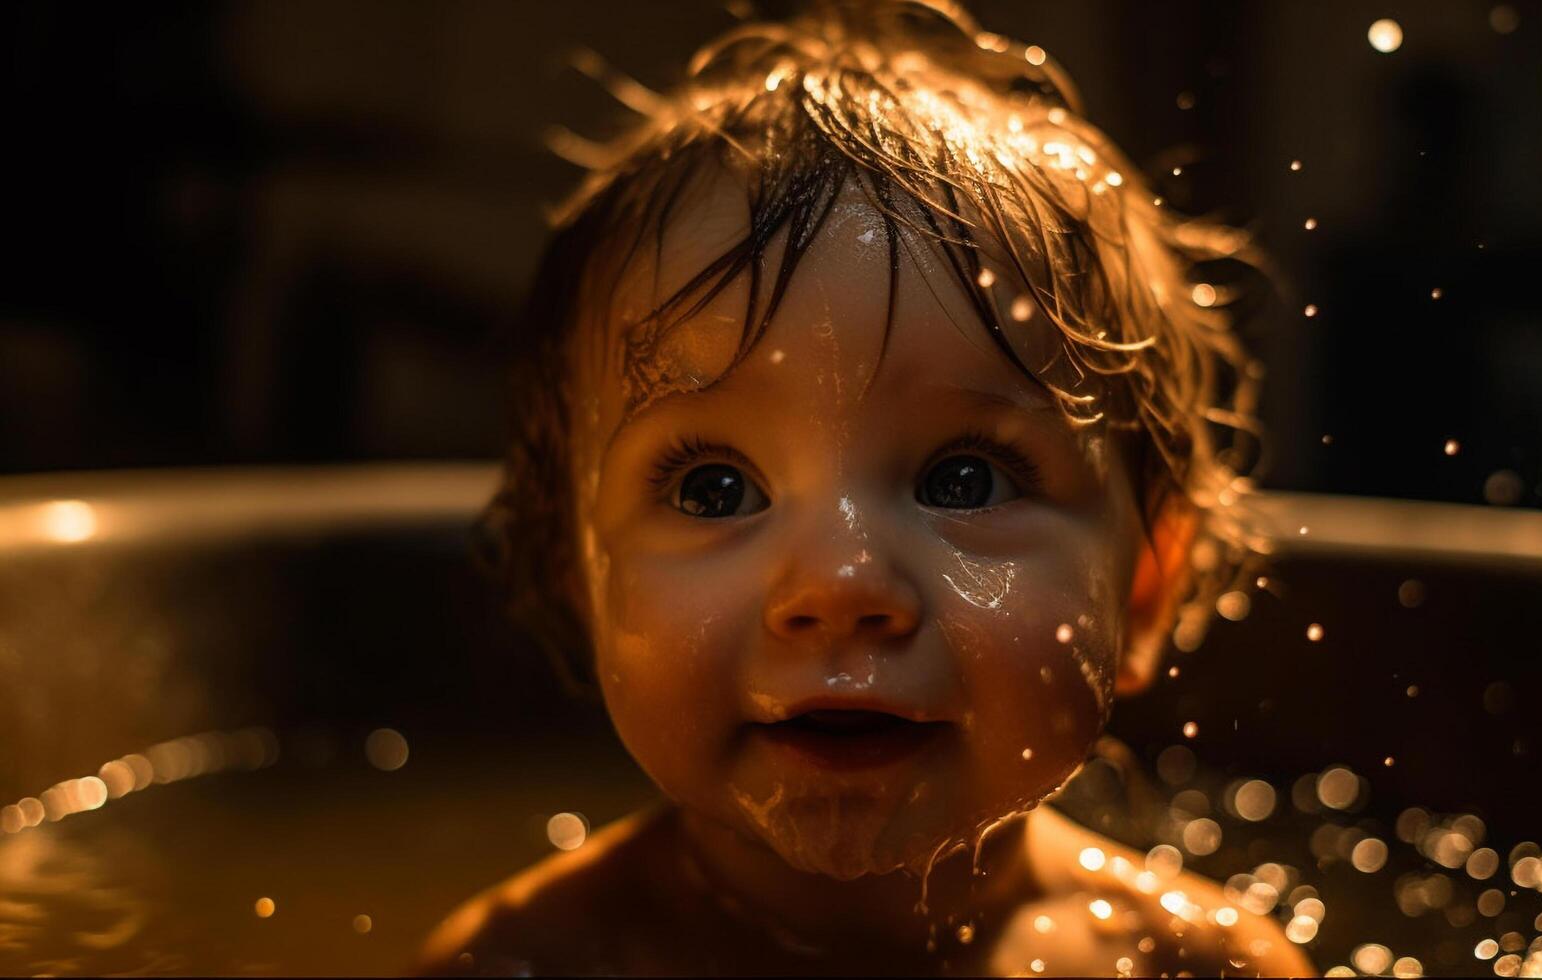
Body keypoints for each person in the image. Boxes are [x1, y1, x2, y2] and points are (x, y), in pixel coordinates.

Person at [414, 0, 1304, 974]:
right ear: (583, 583)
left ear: (1142, 589)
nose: (838, 584)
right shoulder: (515, 967)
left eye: (962, 480)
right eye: (714, 490)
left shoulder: (1203, 966)